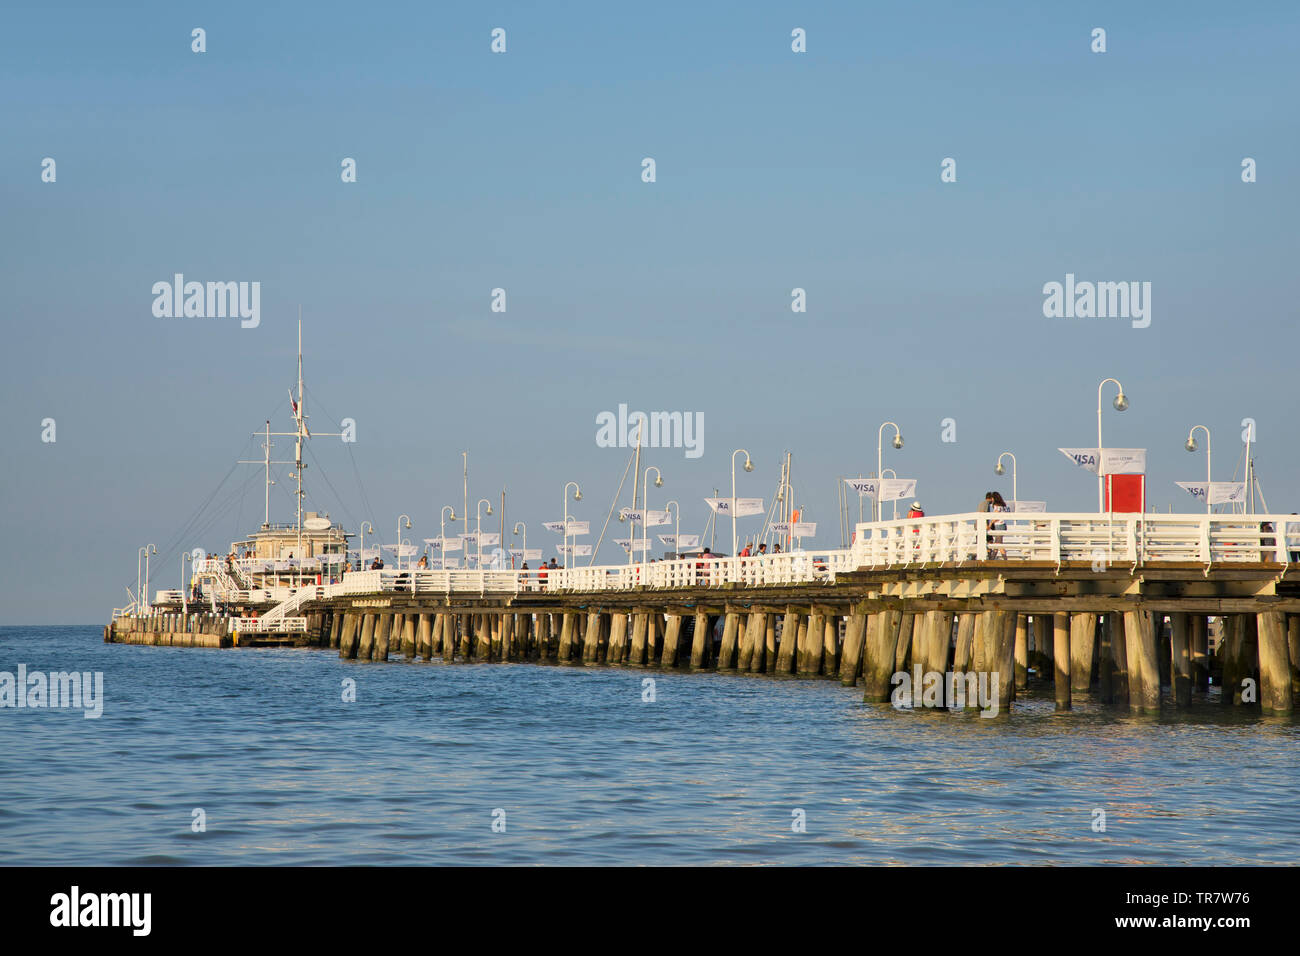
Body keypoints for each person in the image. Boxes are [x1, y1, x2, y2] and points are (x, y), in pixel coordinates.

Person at [989, 492, 1009, 558]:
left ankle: (1004, 559)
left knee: (998, 544)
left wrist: (991, 523)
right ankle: (993, 558)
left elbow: (996, 517)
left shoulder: (996, 506)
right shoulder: (1003, 506)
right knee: (998, 543)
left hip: (998, 525)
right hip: (1003, 525)